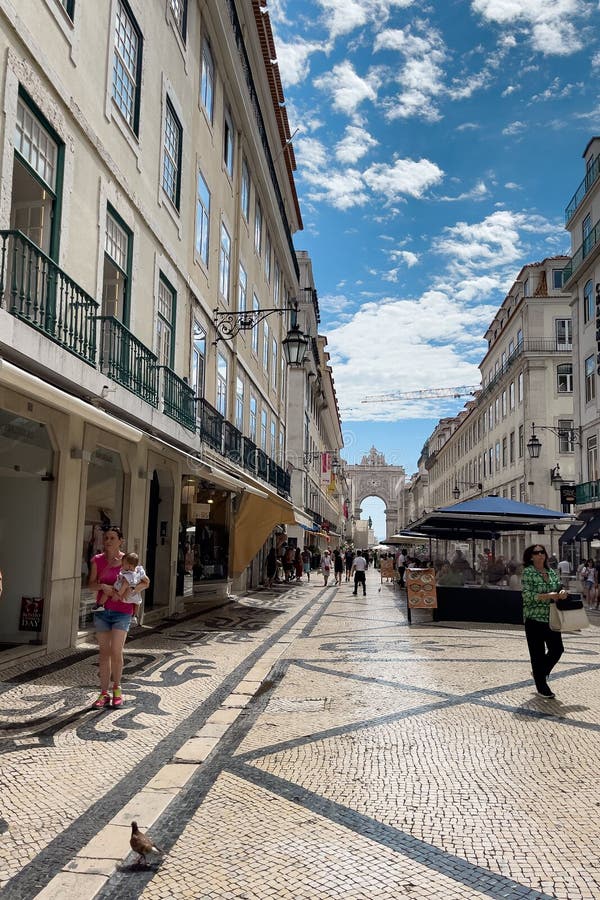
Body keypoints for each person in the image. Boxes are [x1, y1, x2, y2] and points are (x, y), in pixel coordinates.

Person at [88, 526, 150, 709]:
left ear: (120, 541)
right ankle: (103, 693)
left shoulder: (129, 560)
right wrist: (102, 587)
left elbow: (145, 582)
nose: (108, 541)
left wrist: (131, 590)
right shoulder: (97, 560)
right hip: (102, 612)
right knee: (104, 652)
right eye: (106, 538)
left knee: (116, 650)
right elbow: (91, 584)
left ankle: (117, 688)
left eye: (112, 538)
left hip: (122, 612)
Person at [521, 543, 567, 699]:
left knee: (557, 649)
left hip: (551, 618)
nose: (540, 555)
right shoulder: (528, 572)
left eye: (542, 552)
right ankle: (542, 686)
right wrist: (549, 596)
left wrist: (562, 591)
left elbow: (559, 586)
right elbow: (527, 596)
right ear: (531, 557)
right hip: (534, 618)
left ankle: (539, 673)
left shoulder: (551, 571)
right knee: (537, 654)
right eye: (536, 553)